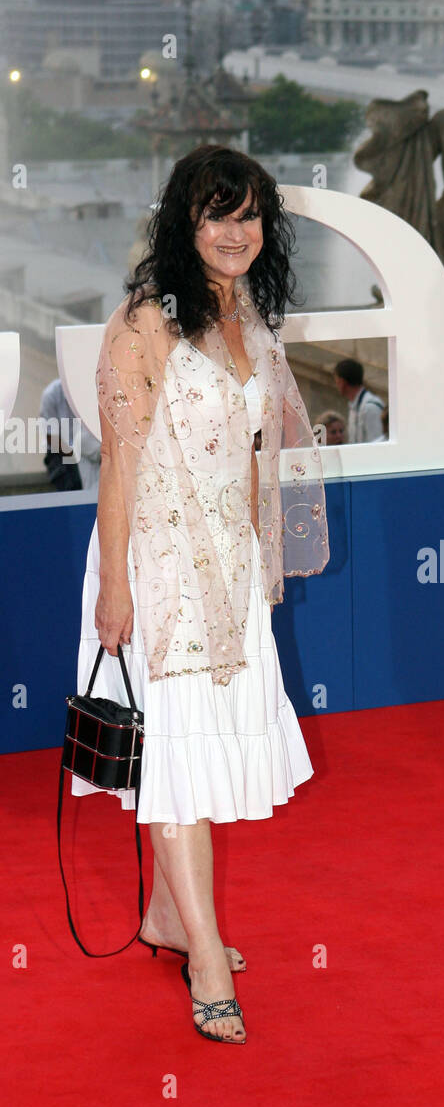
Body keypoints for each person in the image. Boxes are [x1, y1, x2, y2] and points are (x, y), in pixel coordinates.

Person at [72, 144, 329, 1044]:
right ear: (186, 222)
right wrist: (115, 587)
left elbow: (260, 458)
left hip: (227, 566)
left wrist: (258, 558)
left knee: (193, 750)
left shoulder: (248, 316)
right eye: (219, 214)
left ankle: (169, 920)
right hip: (156, 569)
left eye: (251, 214)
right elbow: (122, 467)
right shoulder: (143, 323)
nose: (237, 232)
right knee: (175, 755)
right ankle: (207, 960)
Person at [333, 358, 386, 444]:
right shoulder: (354, 406)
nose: (336, 385)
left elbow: (378, 446)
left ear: (342, 382)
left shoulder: (370, 408)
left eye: (336, 381)